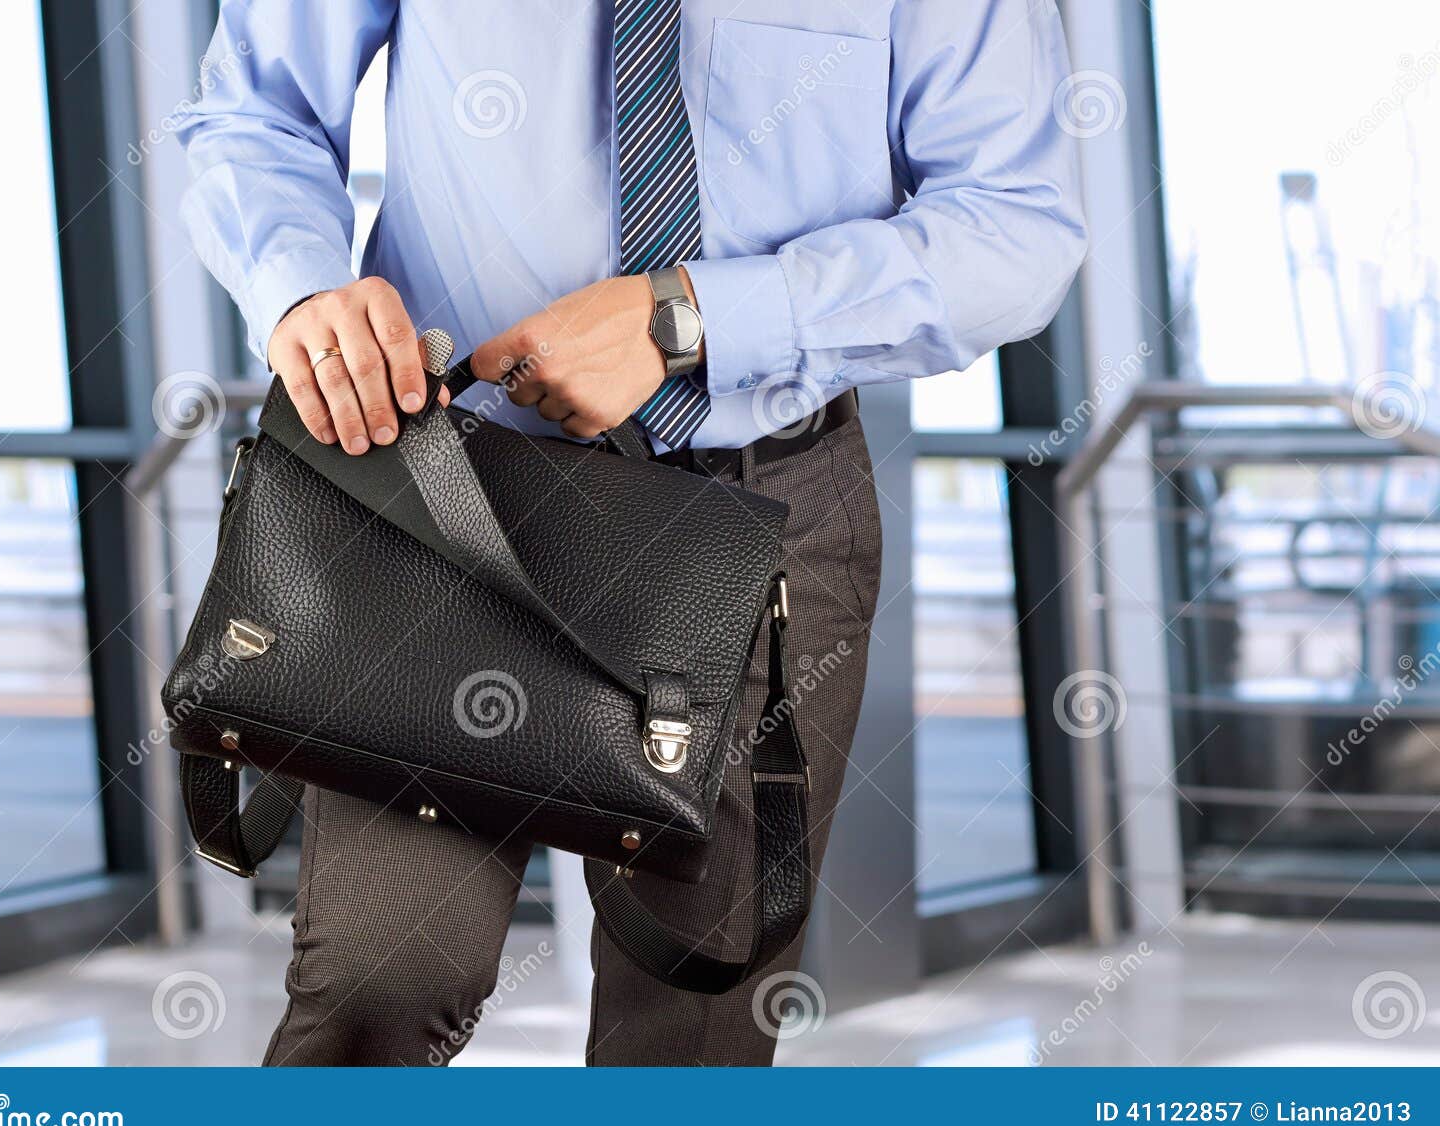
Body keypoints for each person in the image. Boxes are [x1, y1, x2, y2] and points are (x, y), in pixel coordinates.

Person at [175, 0, 1086, 1066]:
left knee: (695, 1028)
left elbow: (1019, 224)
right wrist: (301, 289)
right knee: (374, 992)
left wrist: (692, 315)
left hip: (761, 513)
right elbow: (256, 107)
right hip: (451, 496)